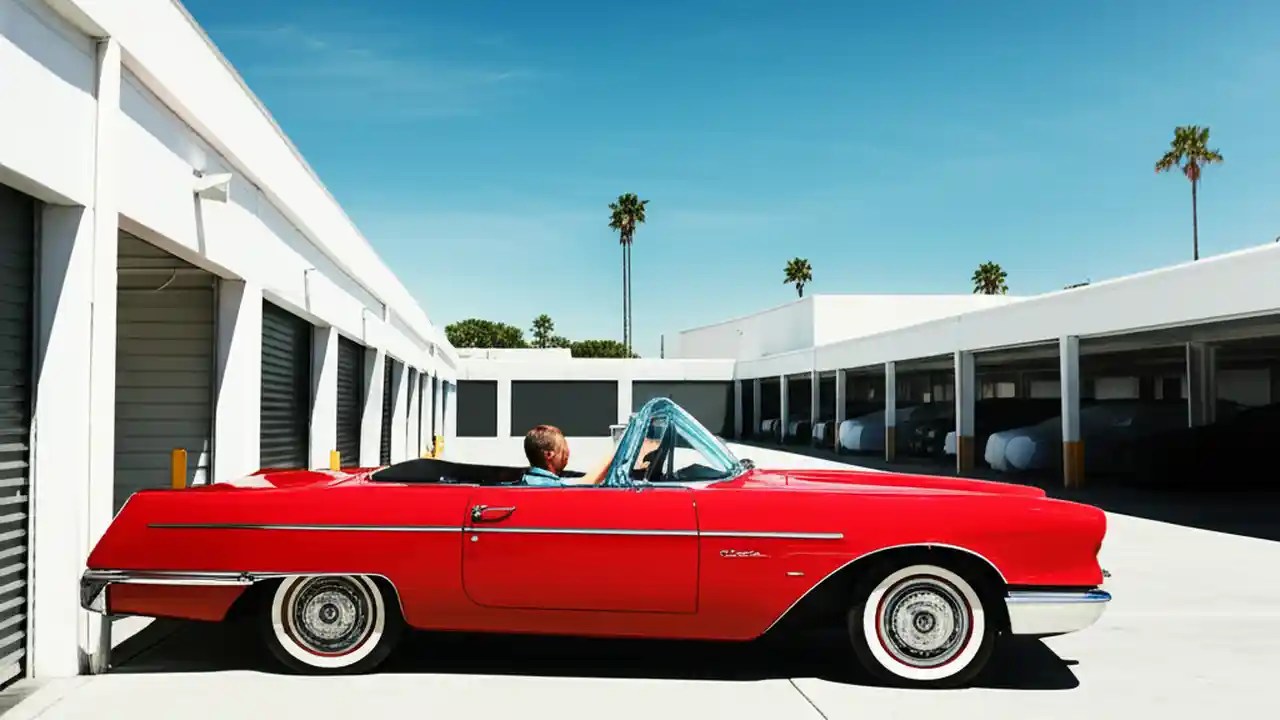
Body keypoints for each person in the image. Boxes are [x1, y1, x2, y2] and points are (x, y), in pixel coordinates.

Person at [520, 425, 613, 486]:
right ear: (549, 455)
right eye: (563, 450)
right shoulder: (545, 484)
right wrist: (614, 454)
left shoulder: (530, 479)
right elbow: (588, 482)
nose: (567, 455)